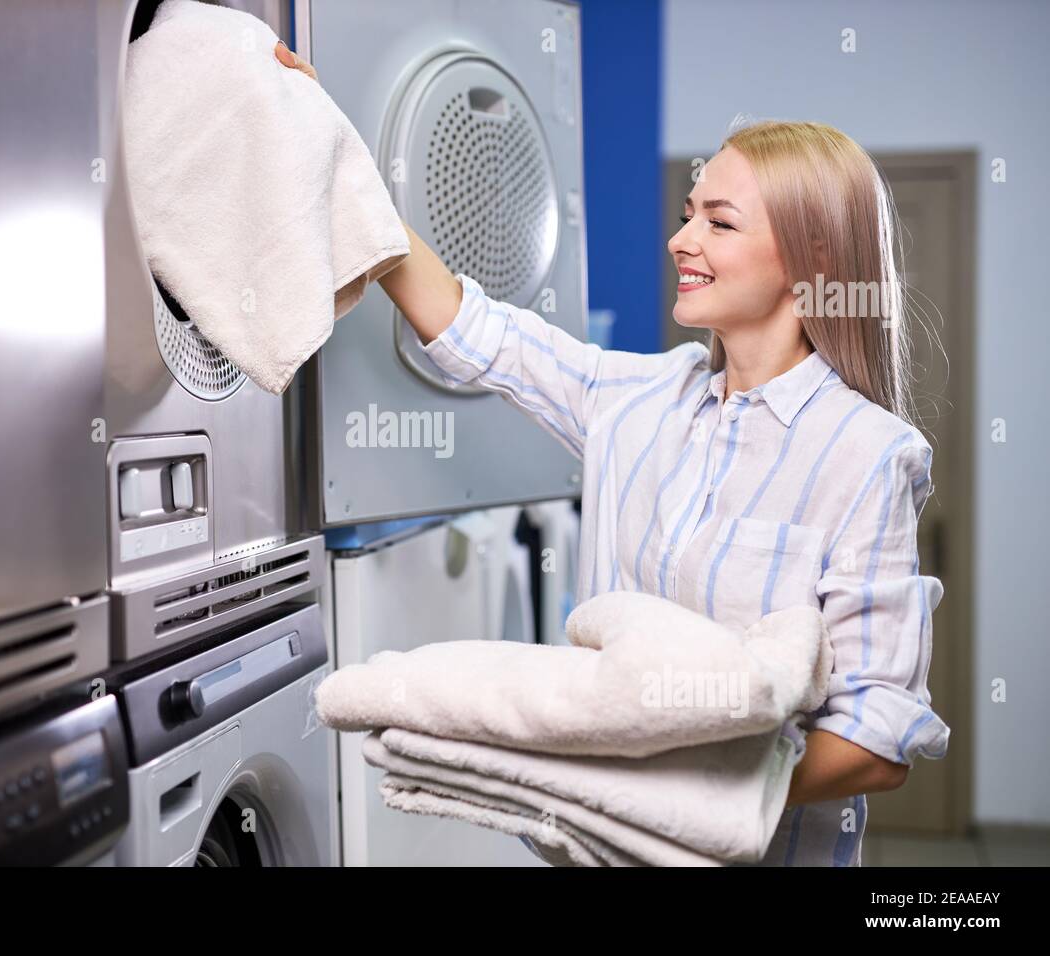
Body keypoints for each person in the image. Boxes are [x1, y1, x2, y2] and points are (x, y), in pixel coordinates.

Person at [275, 41, 948, 867]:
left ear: (811, 264)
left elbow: (876, 740)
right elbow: (472, 330)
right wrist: (335, 150)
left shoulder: (868, 455)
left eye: (719, 221)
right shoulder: (636, 400)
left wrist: (673, 784)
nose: (680, 239)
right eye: (687, 212)